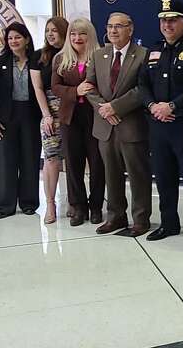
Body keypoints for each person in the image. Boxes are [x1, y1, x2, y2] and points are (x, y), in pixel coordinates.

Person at [138, 0, 183, 248]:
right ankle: (168, 224)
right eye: (164, 20)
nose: (167, 24)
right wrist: (152, 107)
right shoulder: (153, 51)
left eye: (173, 20)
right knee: (164, 177)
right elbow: (142, 85)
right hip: (158, 124)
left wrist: (172, 106)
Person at [85, 12, 152, 236]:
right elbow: (88, 86)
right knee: (111, 175)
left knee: (137, 176)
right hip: (105, 127)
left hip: (131, 126)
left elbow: (142, 89)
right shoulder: (99, 55)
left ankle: (141, 220)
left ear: (130, 29)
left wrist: (116, 107)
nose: (113, 31)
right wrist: (104, 109)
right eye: (110, 26)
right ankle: (115, 217)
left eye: (119, 27)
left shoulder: (143, 55)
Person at [0, 23, 53, 218]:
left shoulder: (37, 60)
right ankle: (4, 206)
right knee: (4, 161)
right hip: (5, 116)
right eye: (10, 38)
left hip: (30, 115)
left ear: (27, 39)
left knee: (30, 159)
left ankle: (28, 202)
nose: (13, 41)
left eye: (17, 37)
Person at [51, 18, 106, 227]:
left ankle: (96, 207)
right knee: (73, 164)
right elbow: (55, 88)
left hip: (95, 116)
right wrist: (75, 91)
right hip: (70, 117)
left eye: (82, 34)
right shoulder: (60, 59)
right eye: (73, 34)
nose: (77, 38)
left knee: (97, 164)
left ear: (89, 35)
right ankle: (78, 207)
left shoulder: (101, 56)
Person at [38, 17, 69, 224]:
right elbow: (38, 88)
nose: (50, 34)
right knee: (51, 159)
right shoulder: (39, 57)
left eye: (55, 30)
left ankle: (76, 203)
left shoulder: (72, 53)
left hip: (73, 107)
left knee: (75, 158)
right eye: (48, 30)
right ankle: (50, 203)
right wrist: (46, 115)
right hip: (50, 111)